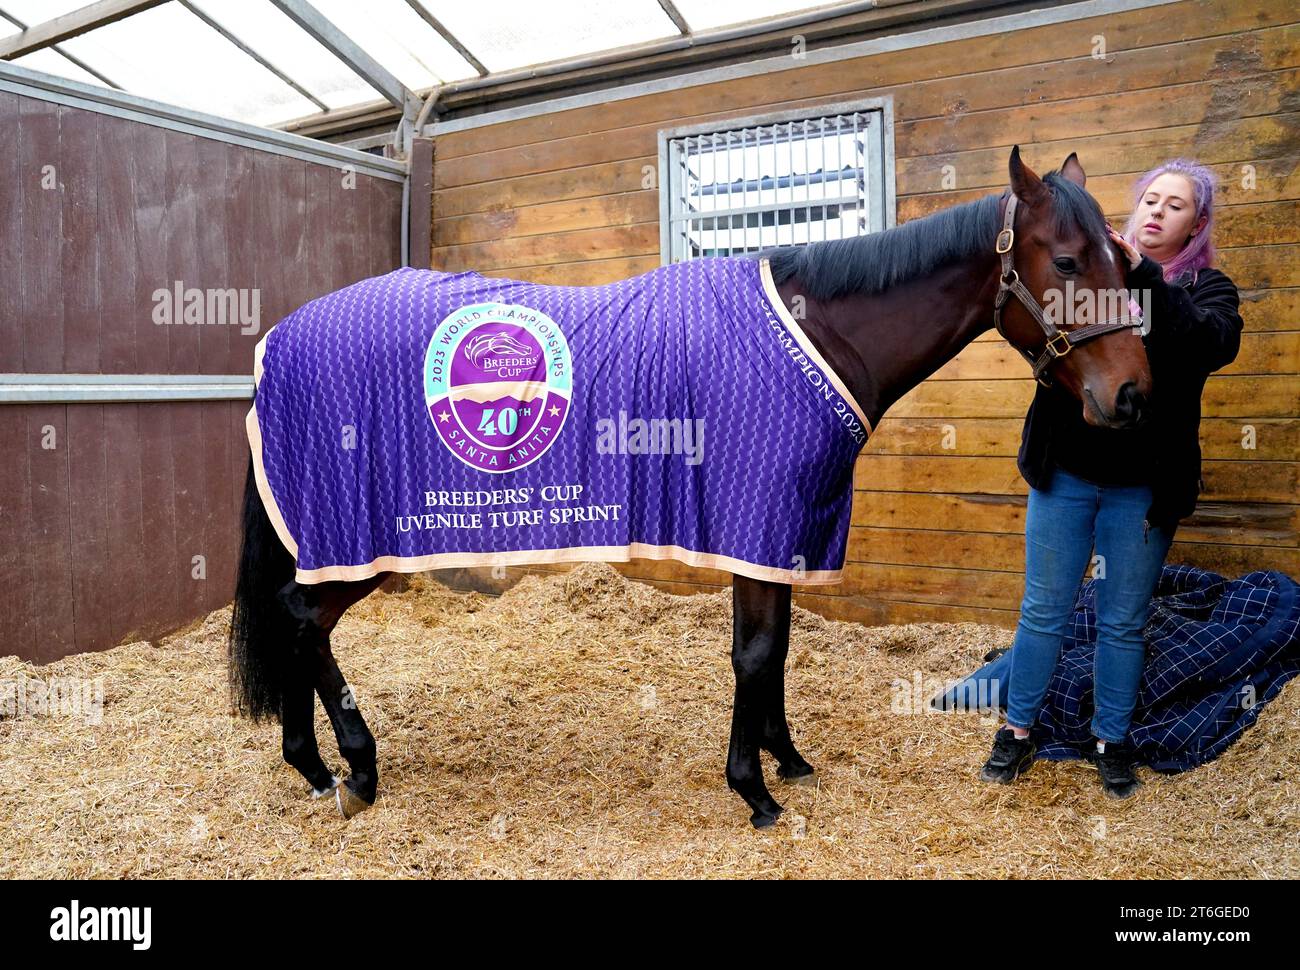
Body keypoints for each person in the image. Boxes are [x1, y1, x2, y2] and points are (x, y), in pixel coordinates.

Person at [980, 159, 1245, 797]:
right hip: (1066, 473)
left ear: (1196, 223)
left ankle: (1112, 738)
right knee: (1044, 610)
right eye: (1150, 198)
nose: (1156, 211)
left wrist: (1146, 276)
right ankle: (1017, 731)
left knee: (1123, 618)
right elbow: (1047, 342)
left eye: (1174, 205)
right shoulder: (1091, 274)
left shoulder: (1208, 288)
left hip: (1144, 489)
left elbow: (1213, 344)